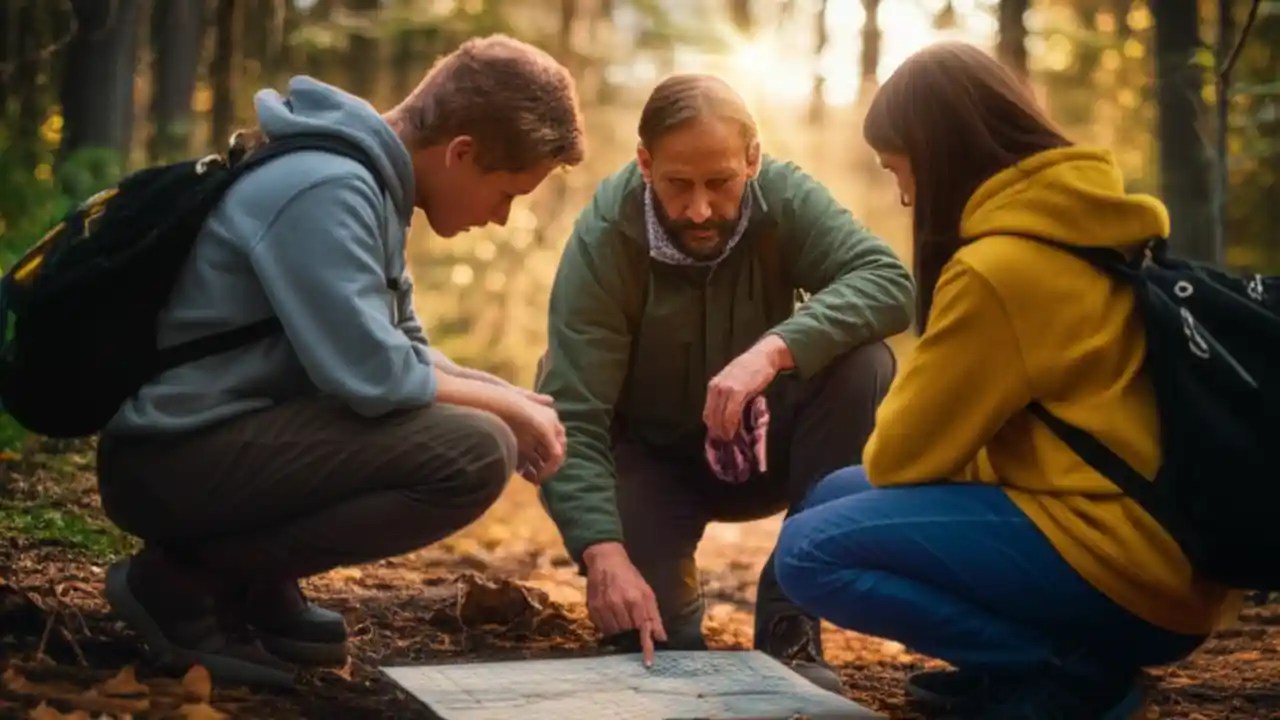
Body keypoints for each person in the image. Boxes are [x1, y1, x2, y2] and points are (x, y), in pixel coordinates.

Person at [95, 35, 585, 686]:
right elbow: (373, 377)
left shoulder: (369, 187)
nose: (500, 218)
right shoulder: (326, 188)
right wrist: (504, 410)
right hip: (168, 456)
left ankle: (255, 586)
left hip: (223, 439)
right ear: (461, 153)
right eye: (507, 194)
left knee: (485, 426)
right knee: (474, 453)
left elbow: (402, 348)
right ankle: (185, 582)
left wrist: (513, 397)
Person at [773, 42, 1240, 719]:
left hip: (1126, 572)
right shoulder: (1088, 229)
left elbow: (900, 455)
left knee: (808, 553)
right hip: (1165, 557)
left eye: (899, 171)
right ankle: (1016, 671)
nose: (904, 196)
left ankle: (1068, 676)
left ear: (936, 154)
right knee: (833, 495)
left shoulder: (999, 270)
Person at [535, 73, 914, 691]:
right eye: (677, 185)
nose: (700, 209)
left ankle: (791, 619)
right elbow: (574, 408)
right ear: (645, 162)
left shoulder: (785, 199)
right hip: (649, 460)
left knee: (864, 361)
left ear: (753, 160)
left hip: (762, 447)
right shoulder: (606, 236)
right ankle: (660, 601)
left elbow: (887, 282)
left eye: (721, 183)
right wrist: (601, 552)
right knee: (656, 651)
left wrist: (773, 350)